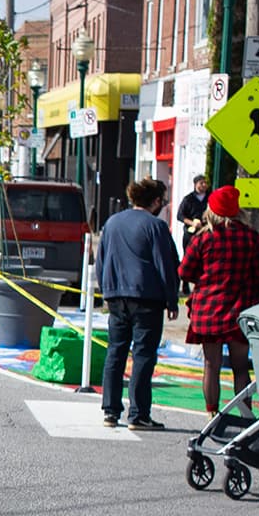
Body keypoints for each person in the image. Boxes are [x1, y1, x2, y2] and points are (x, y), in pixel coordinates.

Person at [97, 178, 180, 430]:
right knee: (143, 355)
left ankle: (110, 411)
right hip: (147, 297)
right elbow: (166, 264)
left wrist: (106, 290)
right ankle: (139, 413)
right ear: (155, 202)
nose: (163, 206)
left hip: (116, 296)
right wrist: (172, 298)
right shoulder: (156, 227)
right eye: (162, 202)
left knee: (115, 351)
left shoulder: (112, 223)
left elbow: (101, 259)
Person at [179, 185, 259, 414]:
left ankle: (212, 413)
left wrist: (203, 280)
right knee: (241, 368)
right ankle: (245, 415)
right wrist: (254, 301)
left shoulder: (203, 239)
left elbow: (184, 271)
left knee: (211, 365)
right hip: (240, 312)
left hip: (208, 311)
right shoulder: (251, 238)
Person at [176, 175, 210, 240]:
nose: (204, 185)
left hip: (206, 233)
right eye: (201, 183)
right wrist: (192, 223)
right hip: (190, 234)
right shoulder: (188, 199)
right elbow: (179, 216)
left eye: (205, 183)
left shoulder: (210, 197)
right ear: (195, 184)